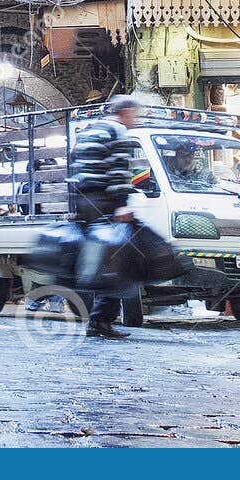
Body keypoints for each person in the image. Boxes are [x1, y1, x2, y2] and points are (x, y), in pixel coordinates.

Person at [70, 94, 145, 340]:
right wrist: (122, 205)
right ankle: (100, 320)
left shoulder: (89, 131)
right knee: (115, 262)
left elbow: (74, 163)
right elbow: (119, 171)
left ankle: (96, 318)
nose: (136, 120)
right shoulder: (118, 132)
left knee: (98, 260)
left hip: (85, 201)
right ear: (126, 112)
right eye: (135, 115)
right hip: (105, 202)